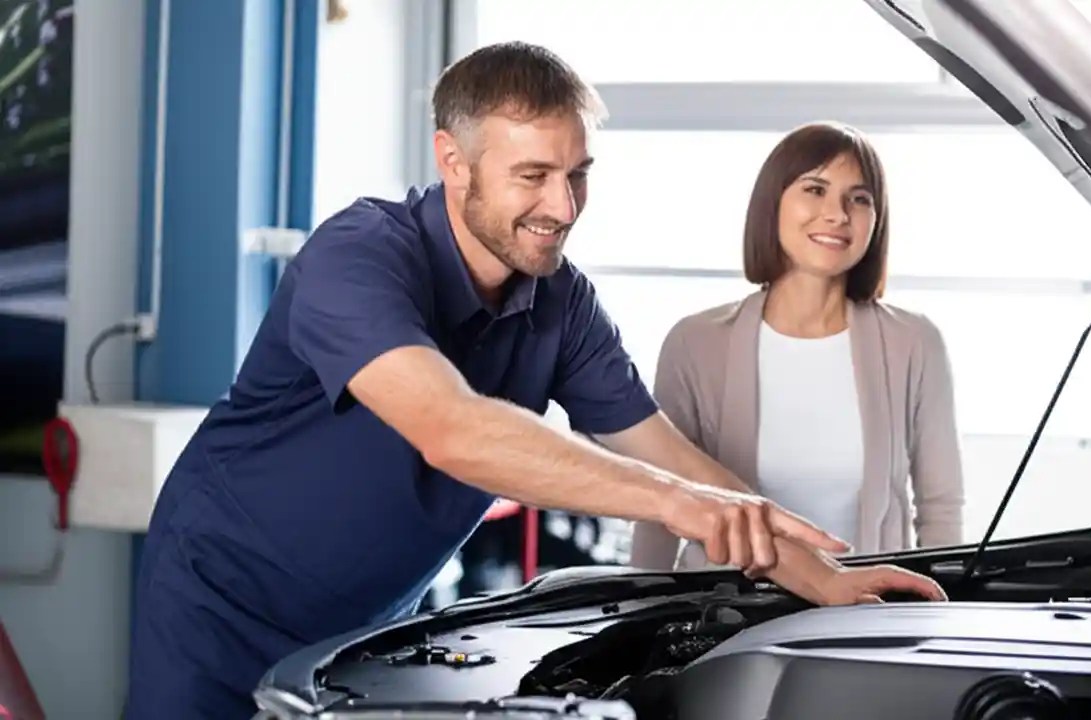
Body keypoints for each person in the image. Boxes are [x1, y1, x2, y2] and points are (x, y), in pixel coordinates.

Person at [123, 45, 945, 719]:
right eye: (534, 176)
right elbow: (453, 429)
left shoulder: (560, 300)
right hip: (218, 611)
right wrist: (674, 504)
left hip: (367, 629)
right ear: (455, 161)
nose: (565, 205)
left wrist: (819, 578)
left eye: (579, 173)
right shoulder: (359, 254)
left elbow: (670, 452)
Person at [629, 122, 965, 572]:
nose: (838, 214)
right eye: (815, 189)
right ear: (773, 204)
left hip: (865, 619)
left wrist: (930, 614)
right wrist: (639, 608)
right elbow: (662, 503)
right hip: (722, 615)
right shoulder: (695, 343)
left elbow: (940, 507)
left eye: (859, 199)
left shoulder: (915, 343)